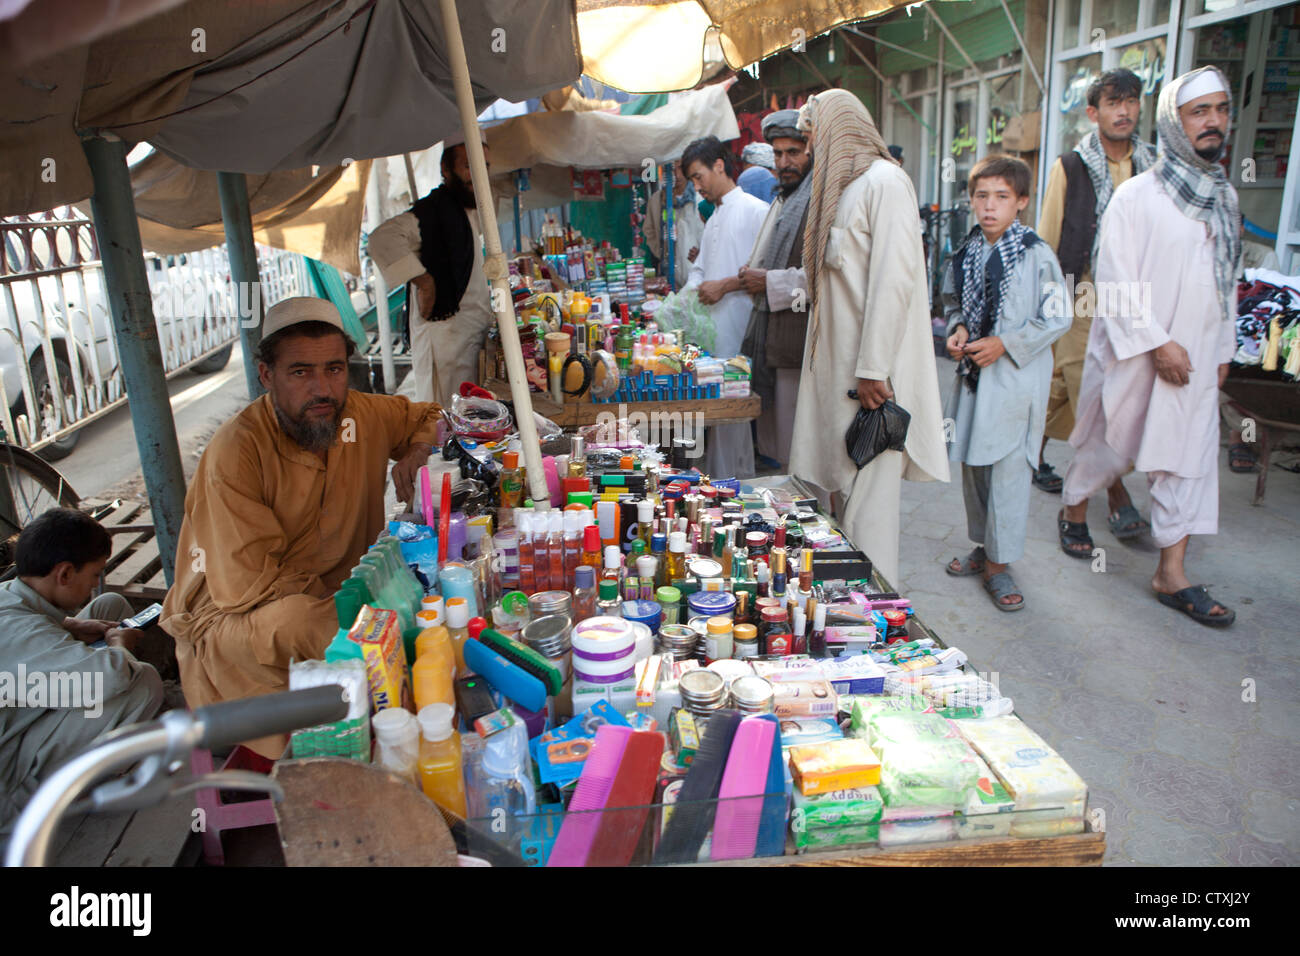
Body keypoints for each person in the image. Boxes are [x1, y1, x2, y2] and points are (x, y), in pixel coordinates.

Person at [161, 297, 441, 756]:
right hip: (239, 613)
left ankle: (410, 713)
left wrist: (416, 451)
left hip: (339, 593)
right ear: (266, 375)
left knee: (409, 590)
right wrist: (353, 601)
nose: (323, 389)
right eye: (300, 373)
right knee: (324, 623)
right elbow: (245, 585)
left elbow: (428, 416)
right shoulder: (236, 451)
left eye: (334, 369)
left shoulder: (359, 415)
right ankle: (400, 731)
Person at [1059, 66, 1241, 628]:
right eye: (1198, 111)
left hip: (1200, 358)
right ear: (1174, 121)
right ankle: (1073, 510)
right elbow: (1113, 280)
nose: (1212, 122)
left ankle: (1172, 571)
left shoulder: (1225, 197)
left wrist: (1224, 347)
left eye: (1220, 110)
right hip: (1135, 352)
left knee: (1186, 460)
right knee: (1107, 443)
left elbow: (1226, 282)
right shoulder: (1137, 196)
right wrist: (1158, 343)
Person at [788, 90, 949, 585]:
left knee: (871, 506)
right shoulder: (840, 190)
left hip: (871, 380)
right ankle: (843, 602)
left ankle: (876, 612)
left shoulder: (886, 182)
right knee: (839, 493)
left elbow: (894, 280)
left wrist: (874, 369)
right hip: (837, 372)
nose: (811, 146)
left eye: (813, 133)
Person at [942, 156, 1070, 611]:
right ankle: (984, 548)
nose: (990, 207)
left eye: (1001, 197)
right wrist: (957, 328)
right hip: (976, 382)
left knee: (1009, 471)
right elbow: (953, 298)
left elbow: (1058, 316)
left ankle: (1001, 566)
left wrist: (1005, 343)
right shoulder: (967, 249)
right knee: (974, 467)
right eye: (981, 196)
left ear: (1021, 202)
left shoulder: (1037, 253)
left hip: (1015, 383)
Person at [1036, 69, 1157, 548]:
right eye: (1113, 103)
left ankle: (1034, 454)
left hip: (1135, 299)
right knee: (1094, 398)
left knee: (1110, 394)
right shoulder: (1070, 166)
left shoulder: (1153, 166)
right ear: (1094, 112)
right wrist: (1048, 308)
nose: (1123, 111)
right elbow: (1049, 239)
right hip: (1081, 295)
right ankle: (1107, 497)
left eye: (1130, 101)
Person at [1, 508, 164, 832]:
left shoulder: (9, 592)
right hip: (8, 775)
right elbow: (112, 676)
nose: (94, 585)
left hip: (21, 702)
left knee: (111, 606)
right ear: (64, 574)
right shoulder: (23, 633)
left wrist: (71, 625)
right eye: (94, 575)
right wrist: (119, 645)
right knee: (142, 681)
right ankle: (35, 799)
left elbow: (34, 626)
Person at [368, 134, 494, 407]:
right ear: (446, 170)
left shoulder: (467, 209)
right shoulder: (432, 213)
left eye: (484, 166)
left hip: (468, 337)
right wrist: (424, 282)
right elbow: (381, 239)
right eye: (468, 166)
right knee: (445, 419)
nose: (478, 174)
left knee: (471, 417)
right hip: (444, 342)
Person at [680, 135, 770, 479]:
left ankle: (726, 483)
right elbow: (700, 270)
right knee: (720, 412)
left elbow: (764, 273)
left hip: (740, 327)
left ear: (719, 166)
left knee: (731, 409)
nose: (696, 185)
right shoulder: (714, 217)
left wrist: (725, 286)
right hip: (711, 330)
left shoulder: (754, 211)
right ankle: (731, 480)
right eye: (692, 180)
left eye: (698, 176)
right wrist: (677, 305)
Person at [737, 109, 814, 469]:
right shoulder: (785, 198)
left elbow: (821, 278)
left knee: (803, 449)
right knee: (786, 448)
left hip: (800, 340)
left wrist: (766, 281)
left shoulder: (819, 199)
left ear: (811, 151)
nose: (785, 162)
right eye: (778, 154)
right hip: (776, 336)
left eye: (793, 153)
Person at [643, 159, 706, 289]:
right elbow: (649, 231)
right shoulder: (656, 201)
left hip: (697, 274)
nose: (676, 175)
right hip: (669, 276)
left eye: (680, 168)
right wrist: (662, 252)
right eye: (671, 170)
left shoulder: (700, 199)